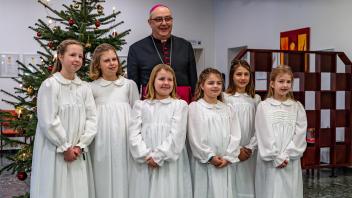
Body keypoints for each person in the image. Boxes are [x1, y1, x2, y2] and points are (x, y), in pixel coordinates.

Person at [30, 39, 97, 198]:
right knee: (56, 188)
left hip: (78, 151)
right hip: (56, 150)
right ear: (60, 56)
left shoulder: (85, 87)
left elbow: (92, 119)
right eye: (72, 55)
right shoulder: (50, 85)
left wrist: (80, 146)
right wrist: (65, 147)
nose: (77, 59)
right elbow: (48, 121)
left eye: (80, 56)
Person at [128, 64, 192, 198]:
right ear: (153, 81)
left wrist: (158, 157)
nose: (166, 83)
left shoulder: (180, 105)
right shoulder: (141, 105)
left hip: (169, 160)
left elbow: (177, 135)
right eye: (161, 79)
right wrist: (146, 155)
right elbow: (133, 134)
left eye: (170, 79)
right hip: (145, 161)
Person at [89, 43, 139, 198]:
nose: (112, 63)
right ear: (98, 64)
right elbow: (89, 115)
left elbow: (137, 113)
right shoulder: (91, 87)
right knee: (102, 173)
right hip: (101, 140)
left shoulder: (129, 85)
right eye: (106, 60)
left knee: (125, 172)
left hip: (125, 138)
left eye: (114, 59)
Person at [188, 68, 241, 198]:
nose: (215, 86)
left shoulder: (228, 109)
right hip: (205, 163)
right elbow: (195, 137)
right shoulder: (195, 107)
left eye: (219, 83)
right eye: (211, 83)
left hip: (225, 163)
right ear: (201, 85)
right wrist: (210, 157)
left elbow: (236, 135)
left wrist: (228, 157)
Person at [127, 4, 197, 103]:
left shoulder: (185, 46)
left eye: (168, 19)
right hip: (151, 103)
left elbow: (194, 80)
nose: (164, 23)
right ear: (150, 23)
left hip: (182, 100)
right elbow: (133, 86)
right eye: (159, 19)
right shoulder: (136, 49)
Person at [255, 65, 307, 198]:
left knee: (290, 192)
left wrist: (287, 155)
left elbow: (300, 134)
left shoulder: (297, 107)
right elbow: (263, 134)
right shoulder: (264, 106)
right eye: (281, 81)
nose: (285, 85)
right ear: (272, 83)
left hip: (290, 160)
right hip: (270, 161)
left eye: (288, 82)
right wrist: (276, 157)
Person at [223, 59, 260, 198]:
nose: (243, 78)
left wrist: (250, 147)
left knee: (248, 182)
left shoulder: (255, 99)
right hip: (232, 149)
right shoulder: (225, 97)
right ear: (232, 76)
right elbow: (224, 126)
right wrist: (237, 148)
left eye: (246, 74)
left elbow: (259, 126)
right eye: (239, 74)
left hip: (250, 150)